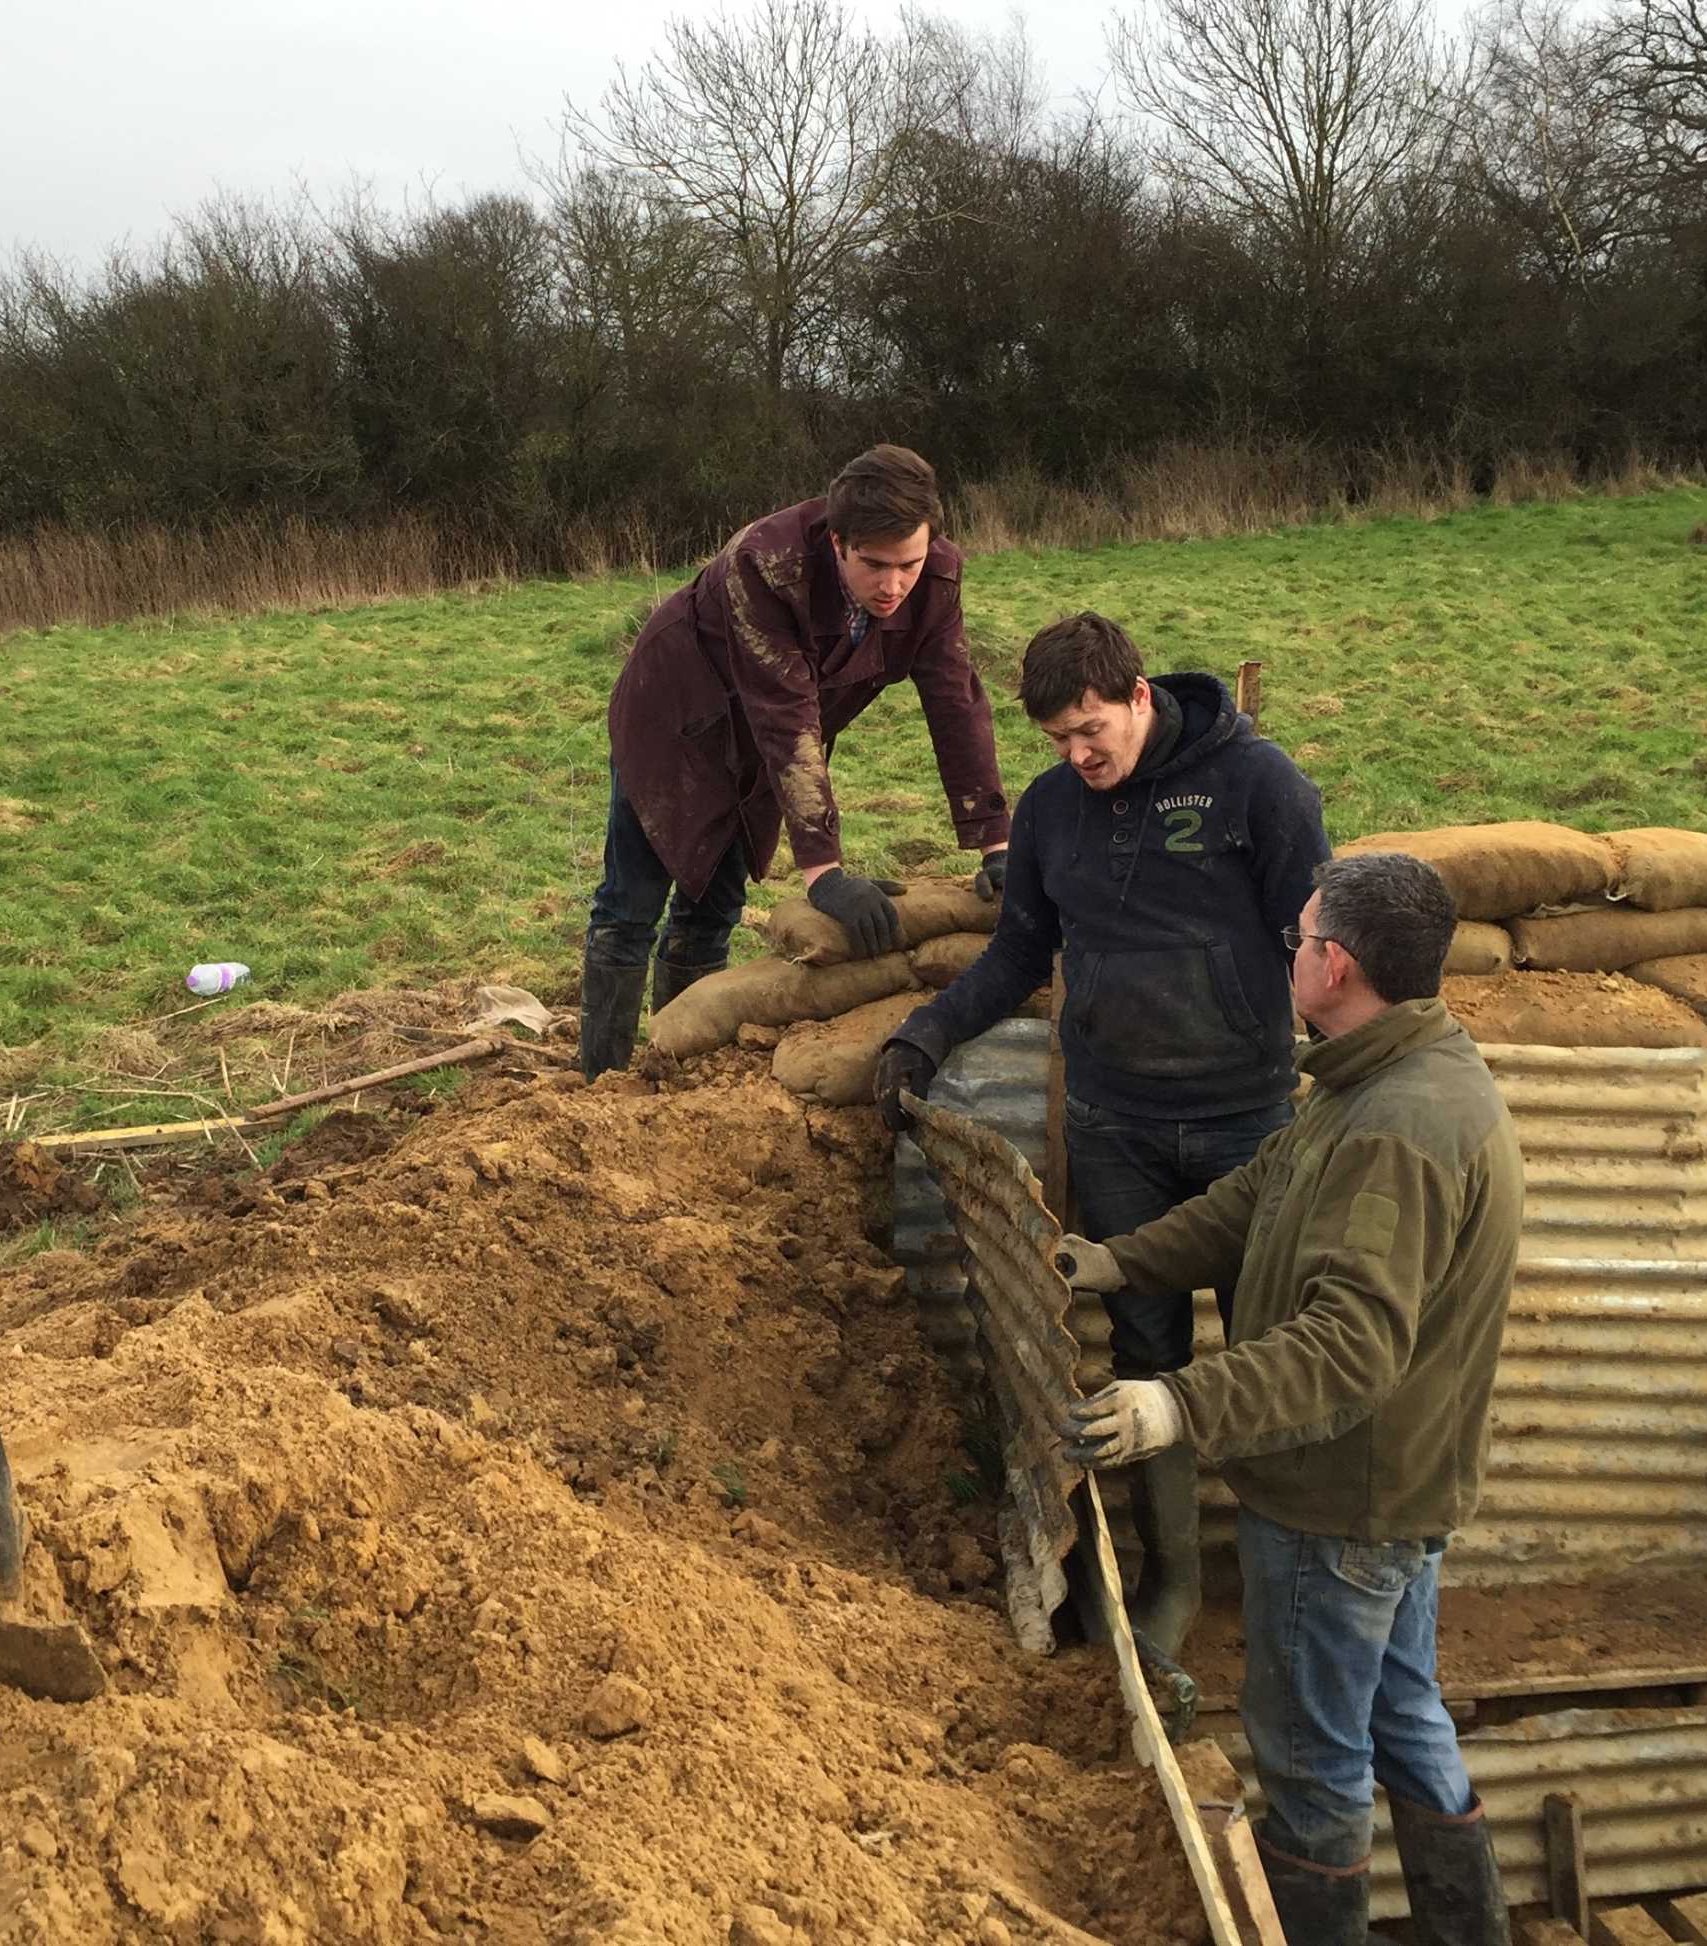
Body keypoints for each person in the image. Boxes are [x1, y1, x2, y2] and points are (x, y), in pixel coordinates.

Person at [1055, 852, 1523, 1946]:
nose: (1290, 957)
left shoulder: (1395, 1131)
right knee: (1404, 1714)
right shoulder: (1377, 1078)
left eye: (1297, 940)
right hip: (1396, 1491)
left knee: (1311, 1762)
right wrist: (1116, 1264)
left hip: (1338, 1505)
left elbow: (1350, 1348)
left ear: (1336, 964)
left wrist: (1178, 1405)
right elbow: (1251, 1201)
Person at [876, 611, 1327, 1654]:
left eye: (1091, 731)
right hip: (1116, 1126)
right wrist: (924, 1035)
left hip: (1246, 1123)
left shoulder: (1257, 785)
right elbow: (1019, 950)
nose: (1079, 757)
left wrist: (1343, 1076)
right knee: (1142, 1350)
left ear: (1137, 697)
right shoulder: (1051, 812)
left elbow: (1316, 938)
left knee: (1267, 1343)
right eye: (1056, 742)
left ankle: (1282, 1581)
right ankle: (1169, 1589)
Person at [584, 443, 1009, 1073]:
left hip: (768, 751)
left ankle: (671, 1066)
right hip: (674, 724)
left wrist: (995, 844)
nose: (893, 585)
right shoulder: (767, 564)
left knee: (713, 908)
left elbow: (956, 705)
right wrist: (825, 874)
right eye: (874, 565)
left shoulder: (936, 581)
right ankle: (602, 1078)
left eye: (909, 565)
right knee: (630, 907)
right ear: (837, 542)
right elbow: (786, 717)